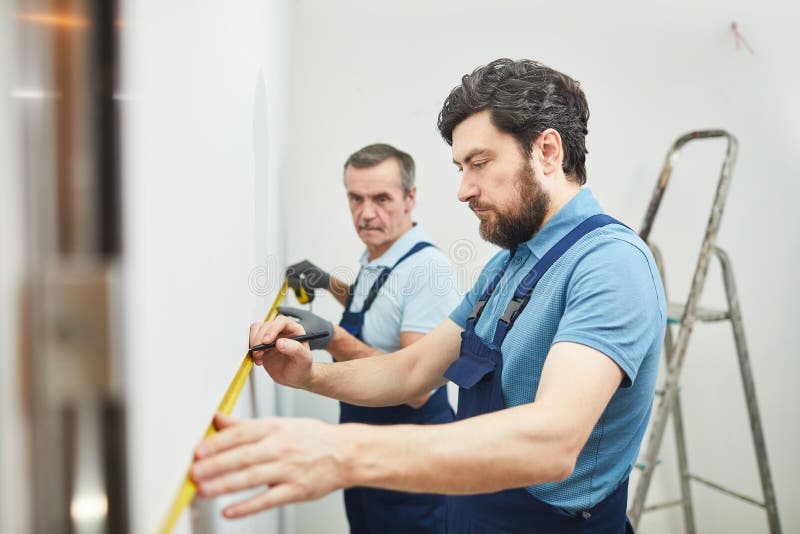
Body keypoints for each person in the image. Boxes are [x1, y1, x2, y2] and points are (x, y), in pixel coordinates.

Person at [191, 59, 666, 534]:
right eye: (461, 168)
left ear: (546, 150)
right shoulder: (507, 266)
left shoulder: (610, 264)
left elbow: (553, 441)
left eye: (479, 163)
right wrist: (308, 373)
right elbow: (412, 370)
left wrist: (343, 454)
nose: (463, 190)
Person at [278, 143, 459, 533]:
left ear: (410, 198)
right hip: (366, 452)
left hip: (411, 469)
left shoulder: (426, 269)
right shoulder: (380, 253)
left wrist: (332, 339)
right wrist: (328, 283)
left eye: (381, 198)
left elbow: (418, 388)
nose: (366, 213)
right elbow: (382, 306)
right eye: (355, 198)